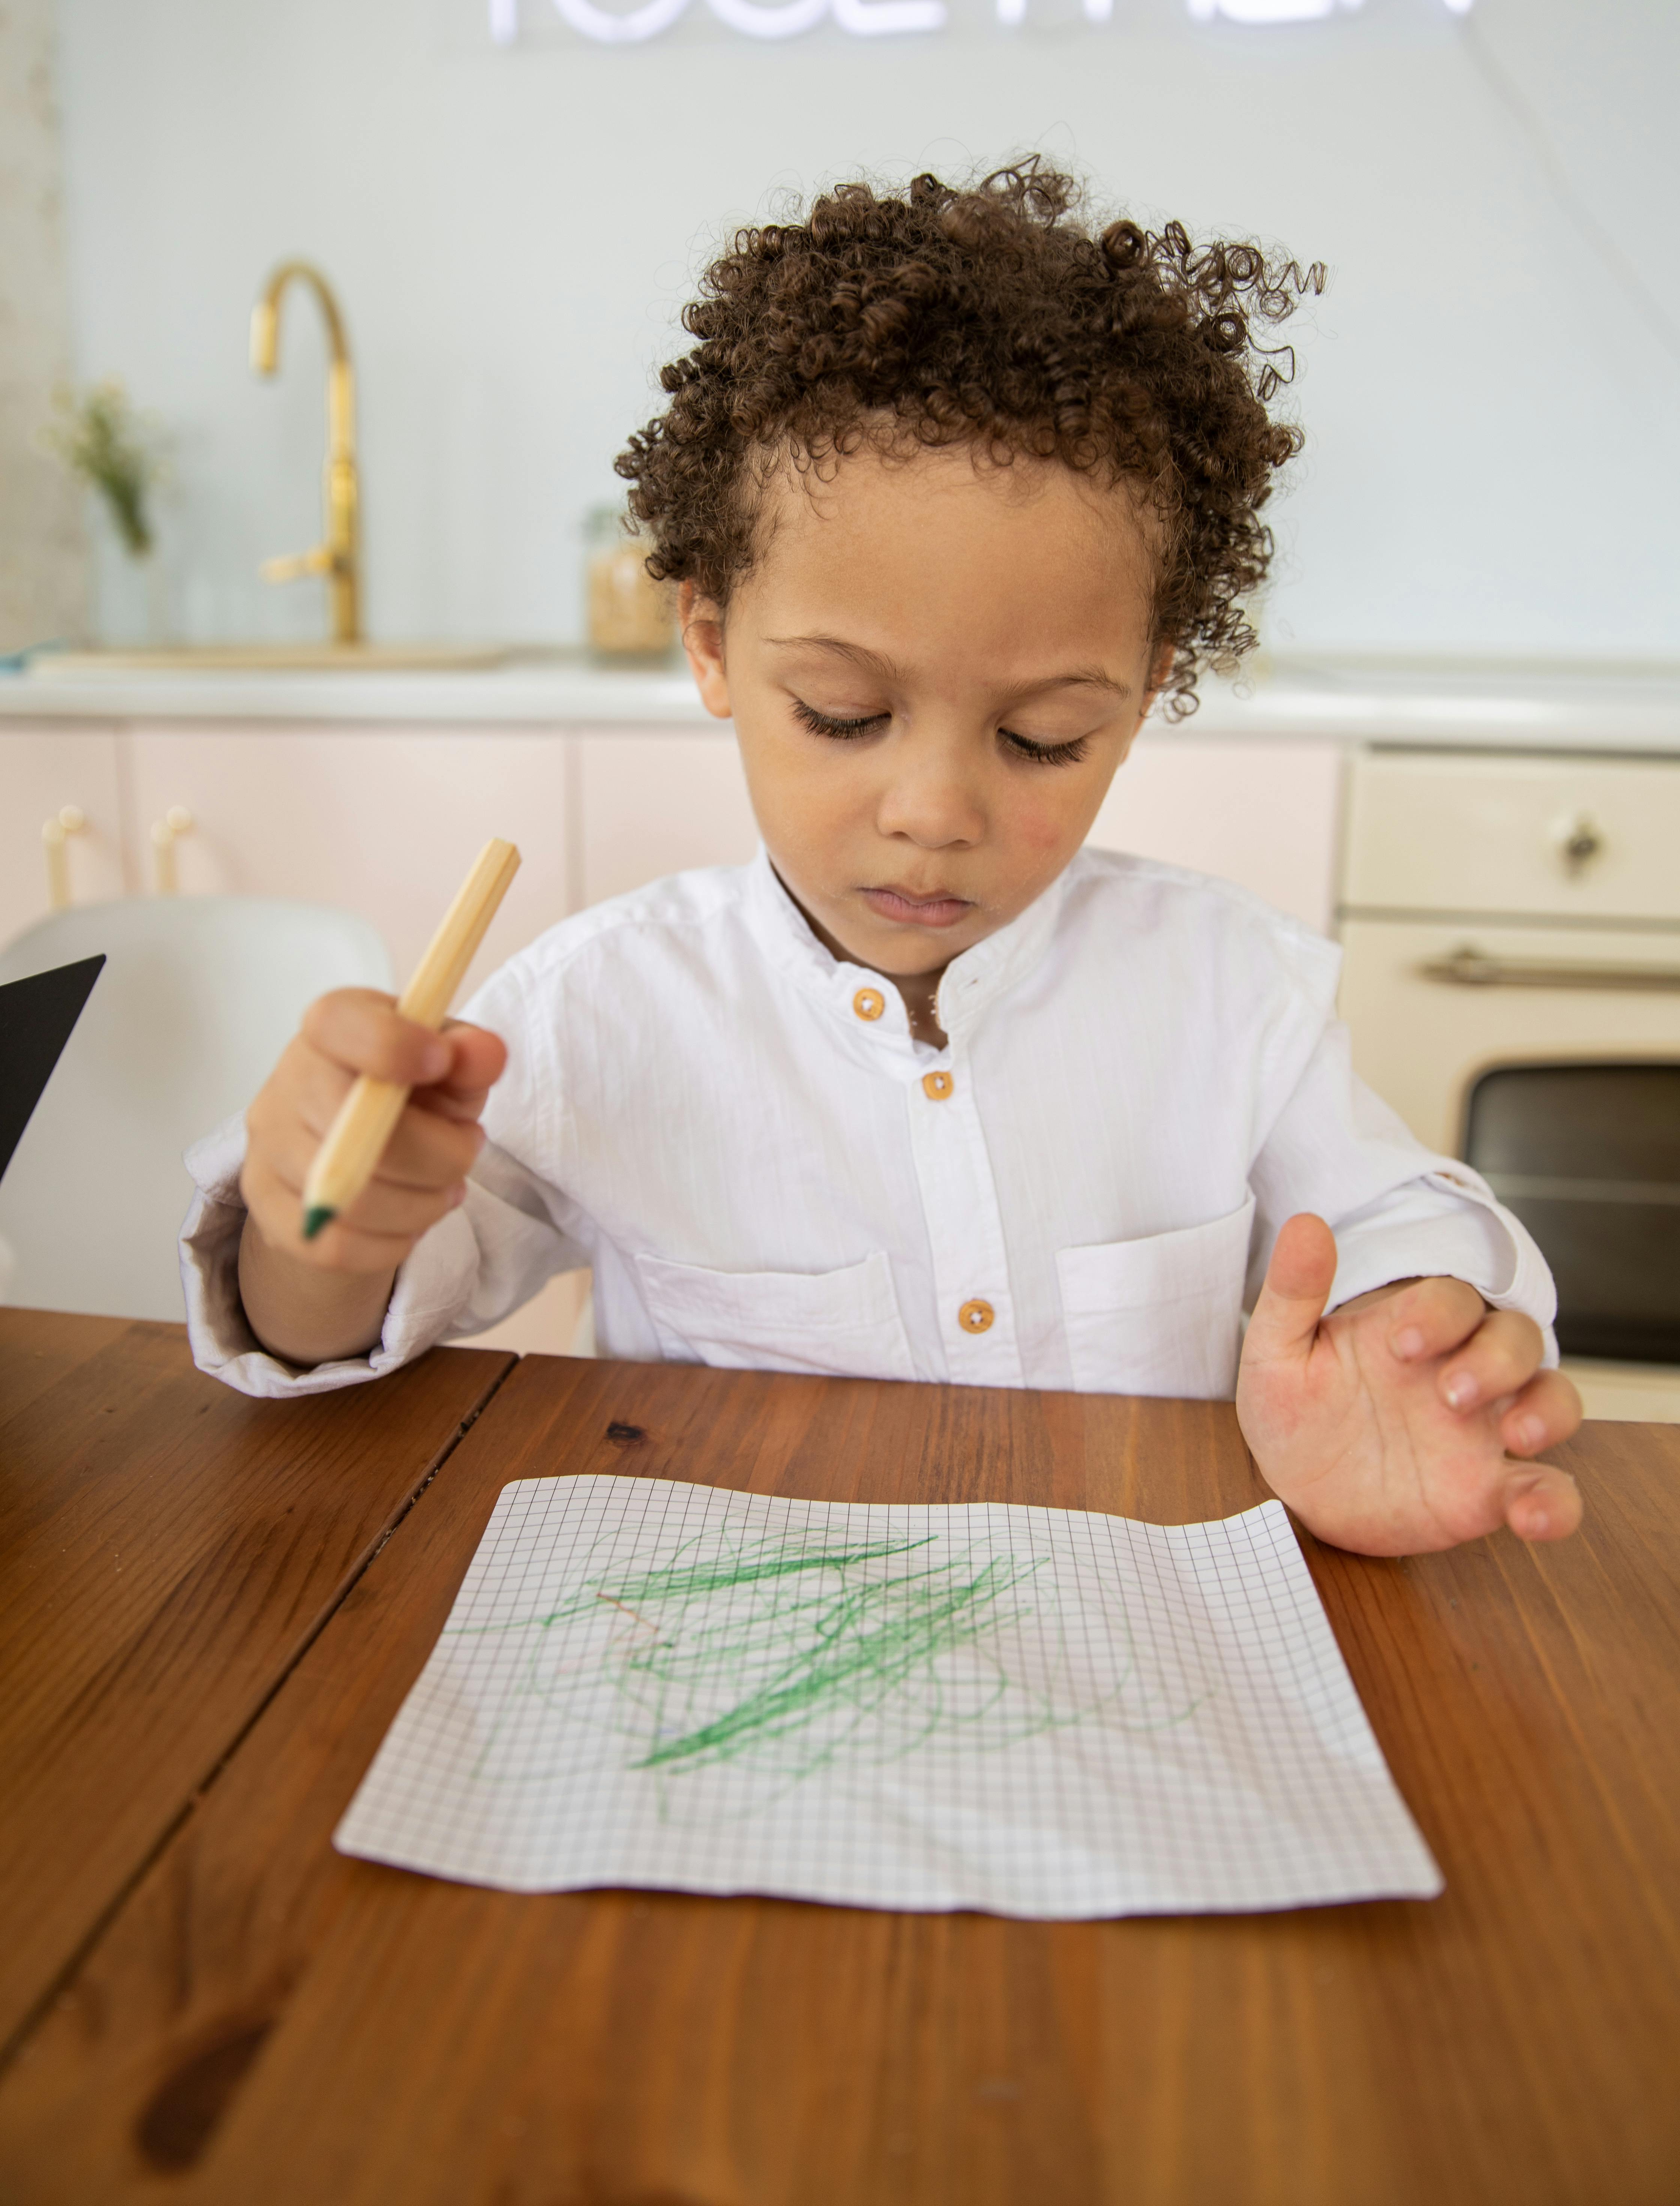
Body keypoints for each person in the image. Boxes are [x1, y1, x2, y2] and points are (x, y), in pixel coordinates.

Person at [181, 161, 1581, 1558]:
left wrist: (1414, 1335)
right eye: (844, 715)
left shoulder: (1231, 992)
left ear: (1145, 692)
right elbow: (326, 1332)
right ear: (714, 642)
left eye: (1042, 737)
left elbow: (1414, 1226)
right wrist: (319, 1243)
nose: (933, 811)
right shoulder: (595, 1010)